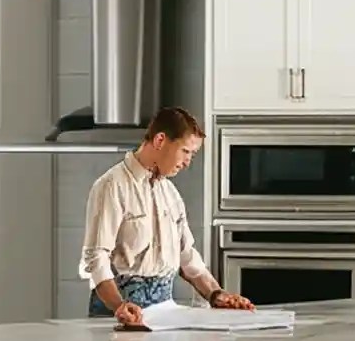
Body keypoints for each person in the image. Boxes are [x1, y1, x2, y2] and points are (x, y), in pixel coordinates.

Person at [79, 106, 254, 326]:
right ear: (160, 140)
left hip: (163, 313)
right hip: (119, 315)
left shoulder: (170, 193)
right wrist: (119, 307)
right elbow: (97, 258)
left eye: (192, 154)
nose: (188, 162)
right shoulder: (111, 186)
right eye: (185, 151)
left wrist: (216, 294)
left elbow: (186, 255)